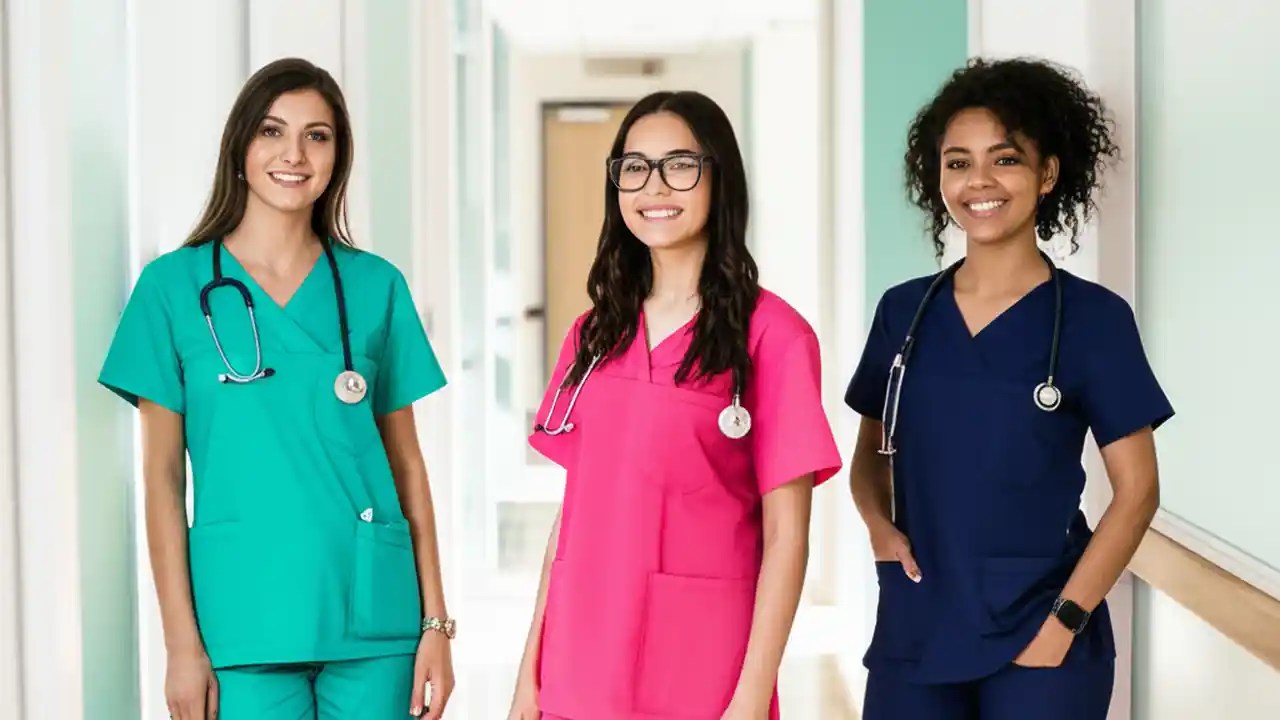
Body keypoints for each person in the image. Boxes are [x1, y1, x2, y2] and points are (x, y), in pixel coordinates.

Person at [98, 58, 455, 720]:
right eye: (272, 131)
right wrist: (181, 645)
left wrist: (436, 624)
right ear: (241, 147)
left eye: (317, 136)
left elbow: (407, 466)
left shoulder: (376, 286)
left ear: (337, 156)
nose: (294, 154)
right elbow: (161, 482)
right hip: (242, 622)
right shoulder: (172, 290)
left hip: (373, 617)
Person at [844, 57, 1174, 719]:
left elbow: (1138, 492)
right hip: (918, 623)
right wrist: (877, 525)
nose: (979, 182)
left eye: (1005, 159)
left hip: (1041, 629)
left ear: (1047, 174)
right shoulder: (903, 312)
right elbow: (870, 455)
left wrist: (1064, 622)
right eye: (958, 162)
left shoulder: (1093, 321)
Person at [506, 91, 842, 720]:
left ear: (720, 177)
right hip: (582, 656)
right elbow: (571, 520)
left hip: (703, 663)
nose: (654, 186)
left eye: (680, 164)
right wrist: (531, 671)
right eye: (634, 167)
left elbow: (788, 537)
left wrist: (749, 698)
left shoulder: (775, 337)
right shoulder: (592, 333)